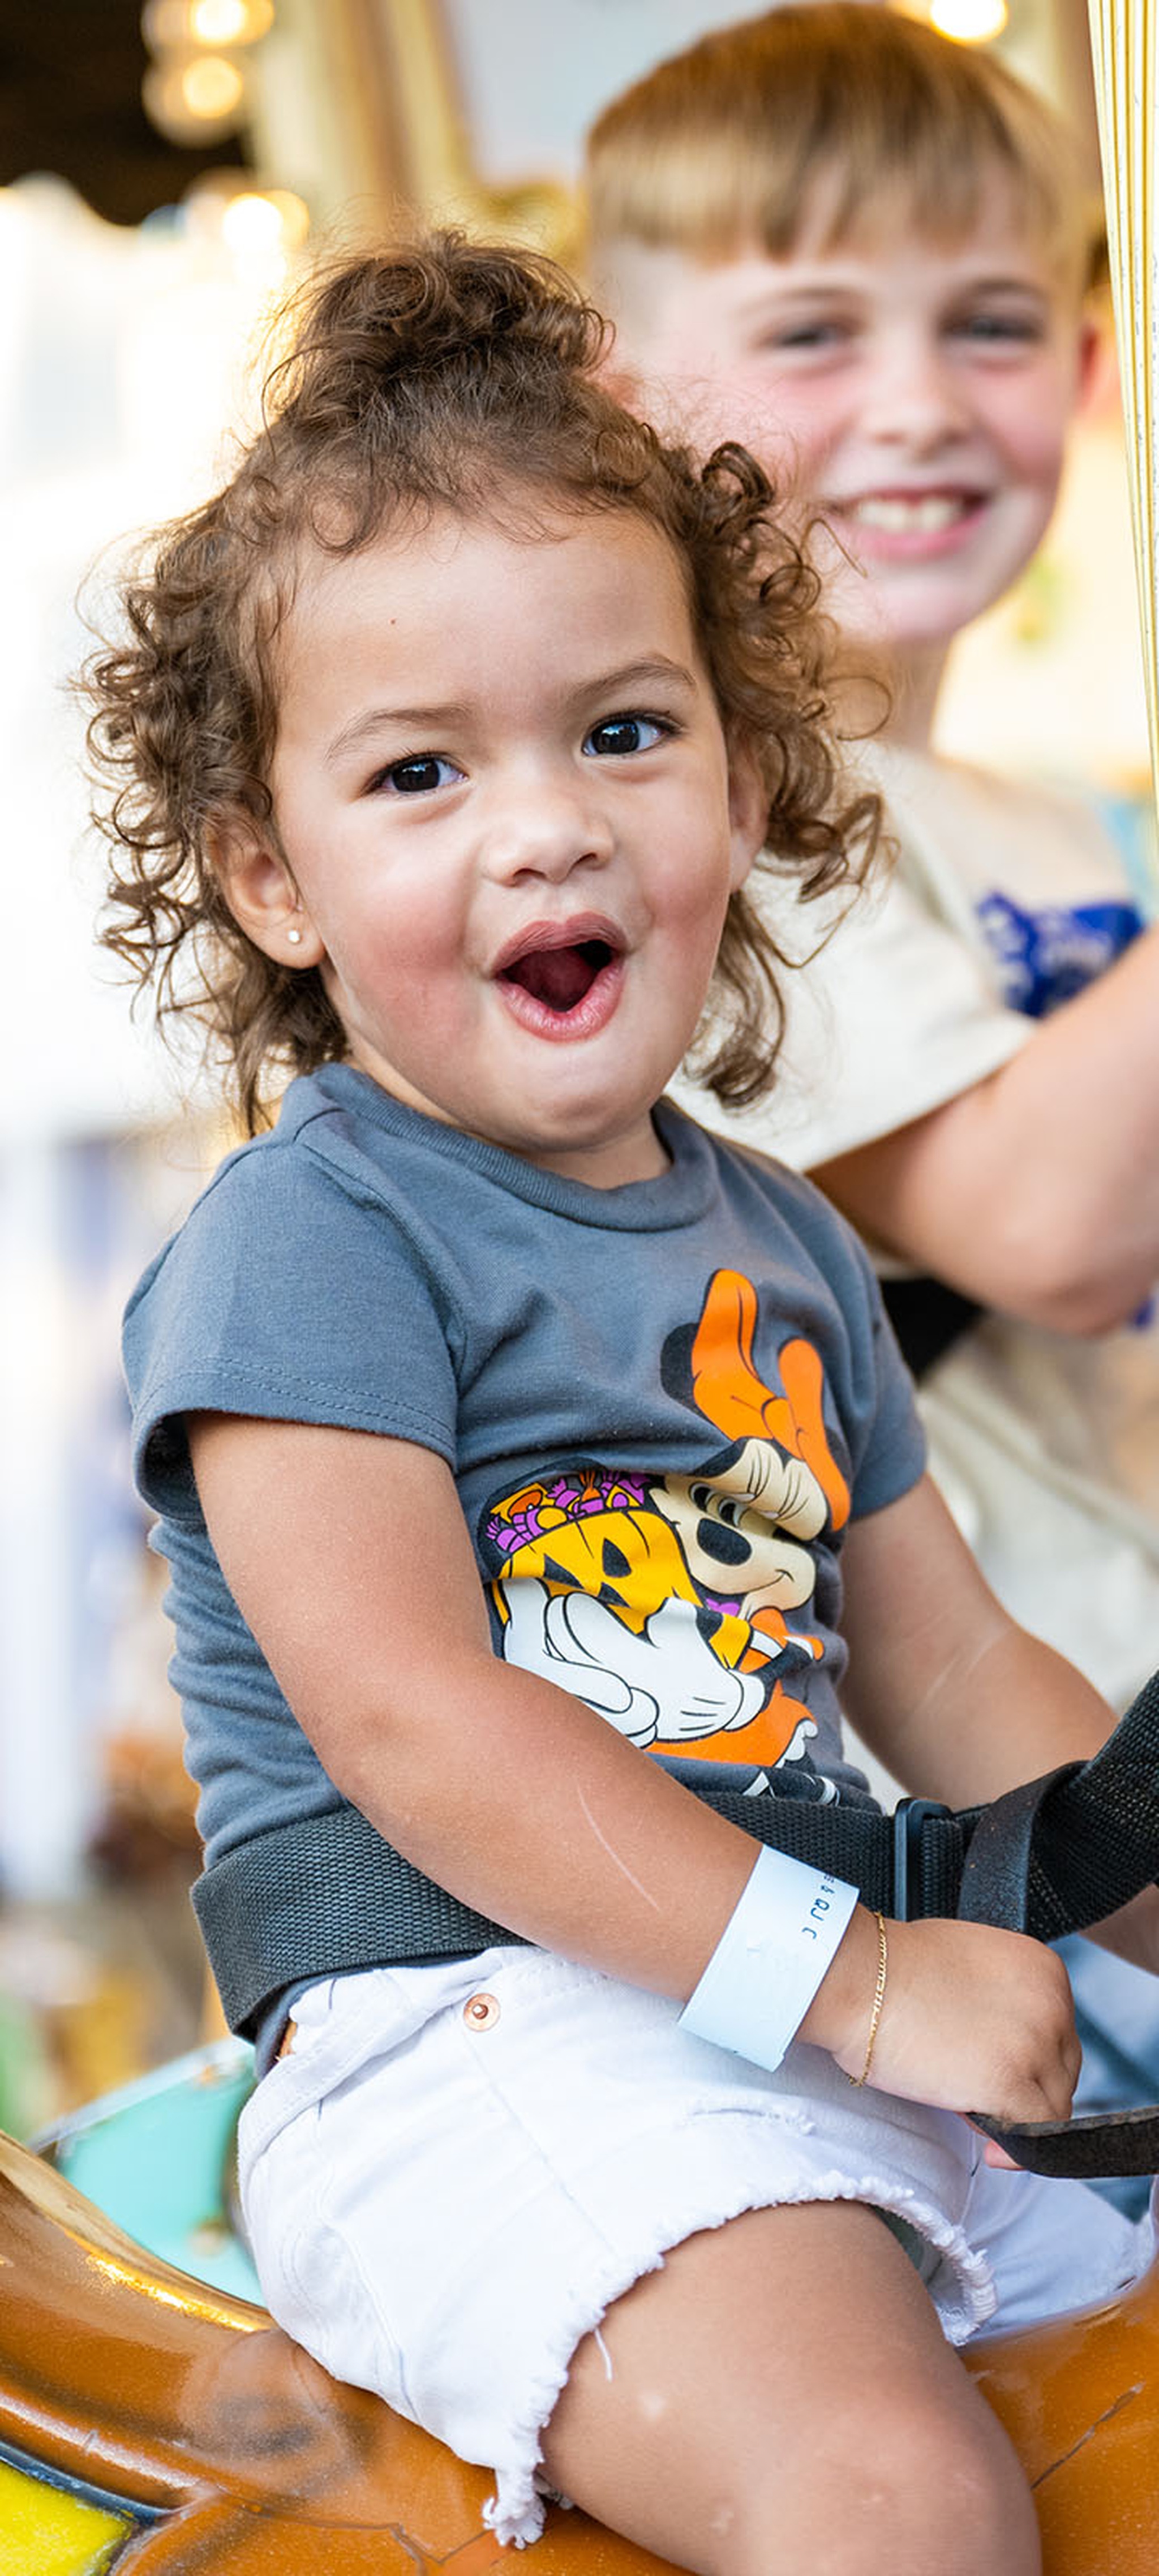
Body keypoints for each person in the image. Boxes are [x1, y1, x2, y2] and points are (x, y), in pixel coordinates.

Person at [88, 234, 1156, 2576]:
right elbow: (412, 1726)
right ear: (270, 873)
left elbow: (953, 1670)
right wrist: (861, 1974)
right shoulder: (321, 1239)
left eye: (620, 727)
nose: (542, 820)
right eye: (417, 770)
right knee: (881, 2494)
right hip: (482, 2037)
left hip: (776, 2015)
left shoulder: (775, 1240)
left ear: (743, 768)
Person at [585, 5, 1159, 2188]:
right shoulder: (713, 819)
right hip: (979, 1804)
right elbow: (1043, 1219)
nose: (922, 405)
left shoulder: (1050, 823)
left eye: (995, 322)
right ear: (632, 397)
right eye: (816, 331)